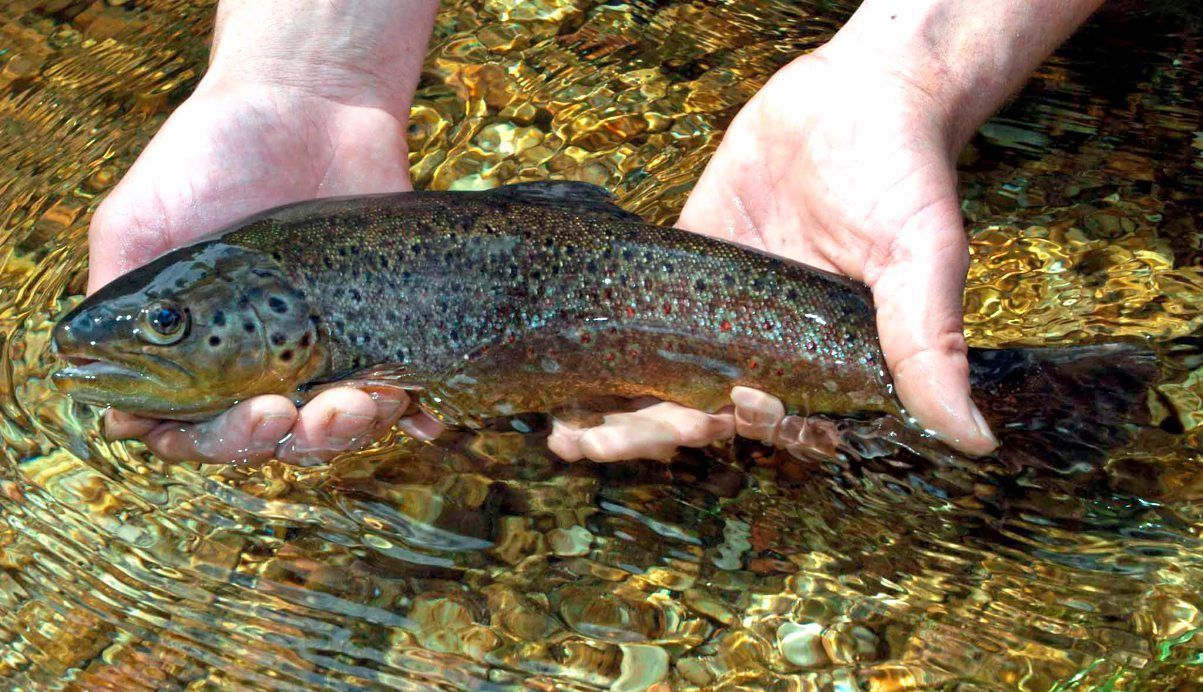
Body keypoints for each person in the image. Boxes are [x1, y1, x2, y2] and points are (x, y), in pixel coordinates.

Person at [92, 0, 1104, 466]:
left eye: (175, 325)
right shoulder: (278, 261)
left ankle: (1041, 403)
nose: (155, 334)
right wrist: (293, 75)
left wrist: (914, 68)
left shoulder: (293, 294)